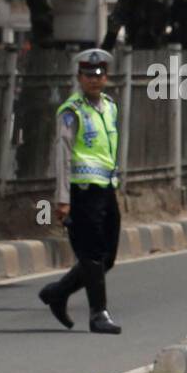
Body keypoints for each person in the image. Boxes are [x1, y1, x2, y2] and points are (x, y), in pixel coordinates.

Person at [38, 49, 123, 334]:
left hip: (106, 191)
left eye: (99, 75)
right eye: (88, 75)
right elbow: (61, 157)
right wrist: (62, 200)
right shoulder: (71, 111)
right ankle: (98, 313)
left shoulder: (110, 107)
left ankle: (58, 292)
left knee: (107, 257)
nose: (94, 80)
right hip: (81, 192)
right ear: (79, 78)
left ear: (106, 77)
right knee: (91, 254)